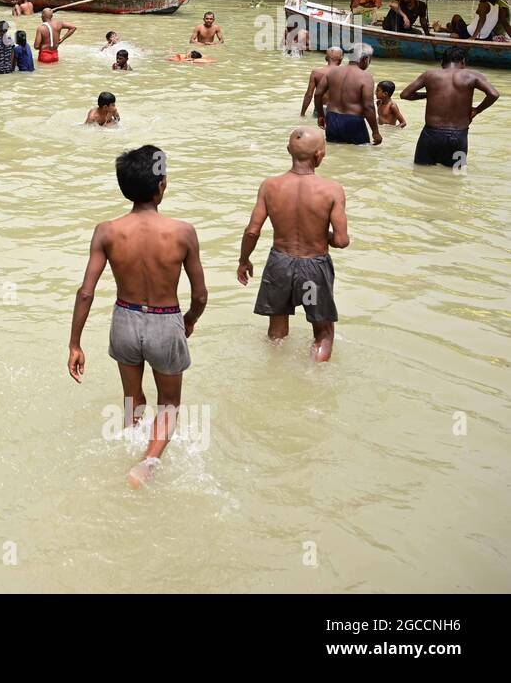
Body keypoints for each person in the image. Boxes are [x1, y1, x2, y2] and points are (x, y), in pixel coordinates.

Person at [67, 145, 207, 488]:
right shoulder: (182, 231)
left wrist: (75, 343)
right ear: (161, 187)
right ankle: (148, 461)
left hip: (125, 321)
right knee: (170, 404)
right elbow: (201, 295)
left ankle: (129, 443)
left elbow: (86, 291)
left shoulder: (107, 231)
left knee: (133, 399)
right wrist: (188, 320)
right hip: (165, 320)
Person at [237, 127, 348, 362]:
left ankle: (275, 371)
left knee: (277, 331)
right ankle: (315, 377)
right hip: (314, 267)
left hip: (280, 264)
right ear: (319, 156)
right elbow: (341, 240)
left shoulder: (269, 186)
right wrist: (318, 233)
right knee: (323, 333)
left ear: (289, 150)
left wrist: (243, 260)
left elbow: (252, 230)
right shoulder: (332, 190)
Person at [399, 48, 500, 167]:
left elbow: (405, 94)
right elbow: (494, 94)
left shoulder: (430, 74)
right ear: (463, 62)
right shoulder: (472, 75)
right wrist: (477, 110)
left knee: (421, 172)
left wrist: (430, 94)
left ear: (442, 62)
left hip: (431, 135)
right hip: (459, 137)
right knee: (457, 175)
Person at [314, 46, 381, 146]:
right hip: (353, 121)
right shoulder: (366, 77)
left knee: (335, 153)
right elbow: (369, 107)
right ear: (365, 59)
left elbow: (317, 94)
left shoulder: (332, 72)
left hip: (332, 118)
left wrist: (320, 115)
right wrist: (375, 132)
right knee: (360, 155)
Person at [300, 47, 343, 116]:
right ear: (341, 59)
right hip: (337, 110)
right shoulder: (346, 73)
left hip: (320, 109)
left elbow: (309, 95)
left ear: (326, 58)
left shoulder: (316, 72)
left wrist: (302, 114)